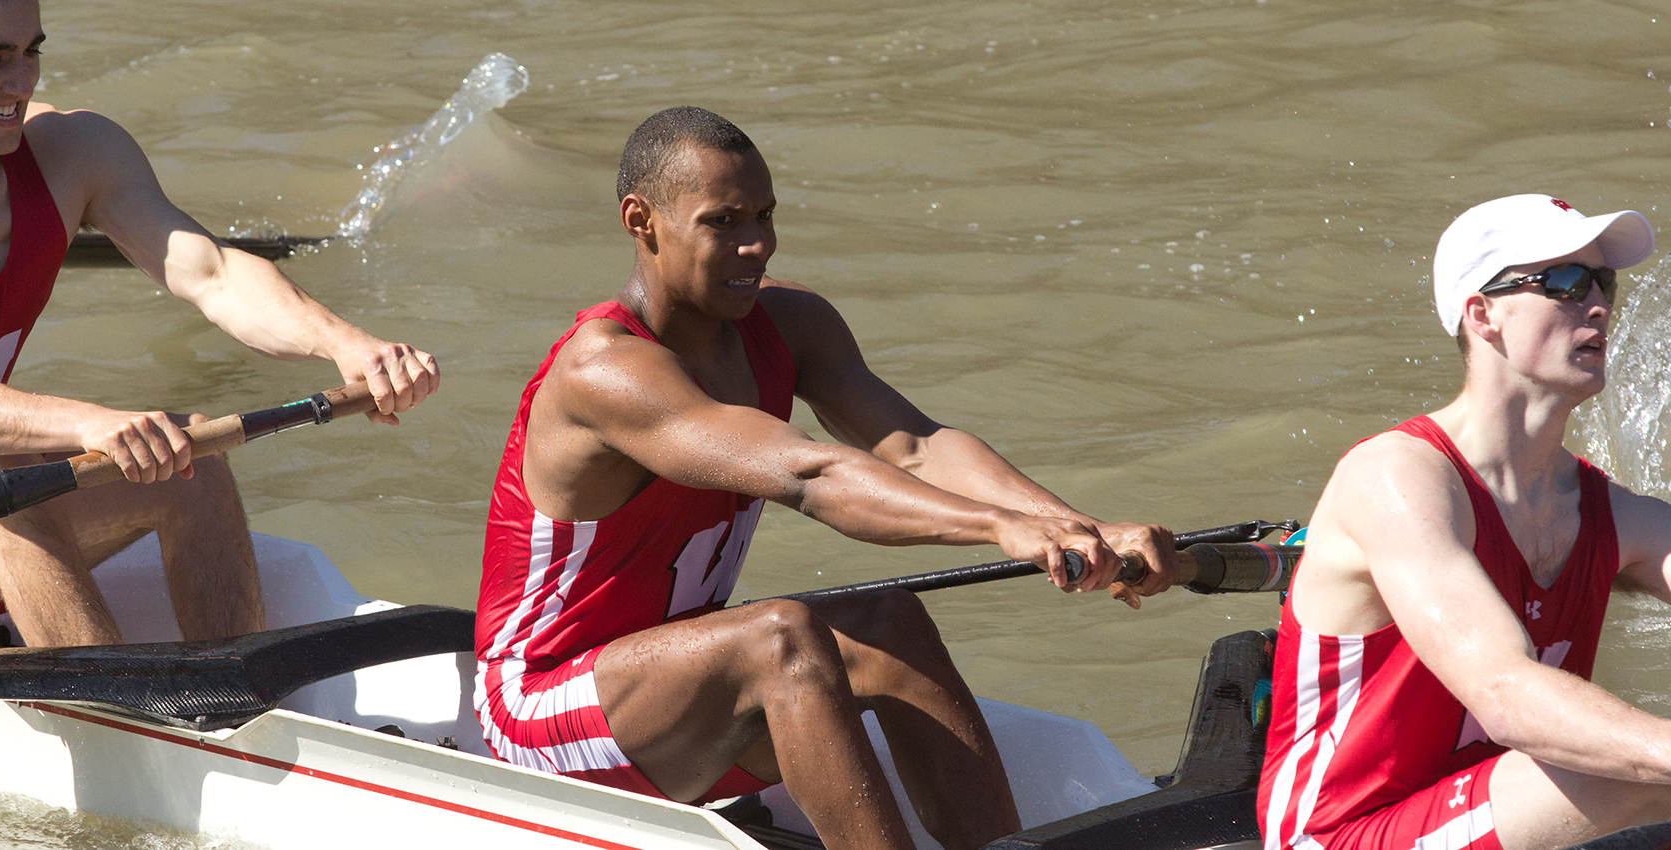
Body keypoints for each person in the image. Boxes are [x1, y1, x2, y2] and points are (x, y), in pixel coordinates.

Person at [473, 105, 1176, 850]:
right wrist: (999, 527)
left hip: (675, 689)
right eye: (723, 221)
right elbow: (811, 475)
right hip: (538, 710)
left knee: (890, 622)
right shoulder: (604, 370)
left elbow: (915, 446)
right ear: (640, 220)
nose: (757, 245)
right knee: (782, 637)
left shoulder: (790, 323)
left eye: (766, 215)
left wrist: (1081, 528)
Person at [0, 0, 440, 647]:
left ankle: (233, 720)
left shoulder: (73, 153)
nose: (18, 82)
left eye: (31, 53)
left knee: (190, 461)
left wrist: (347, 345)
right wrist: (91, 425)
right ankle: (118, 733)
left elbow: (215, 273)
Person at [1257, 193, 1671, 850]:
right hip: (1341, 832)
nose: (1597, 305)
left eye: (1604, 282)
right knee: (1639, 778)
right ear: (1482, 315)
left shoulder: (1612, 511)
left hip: (1485, 810)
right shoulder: (1396, 478)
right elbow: (1506, 694)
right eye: (1564, 283)